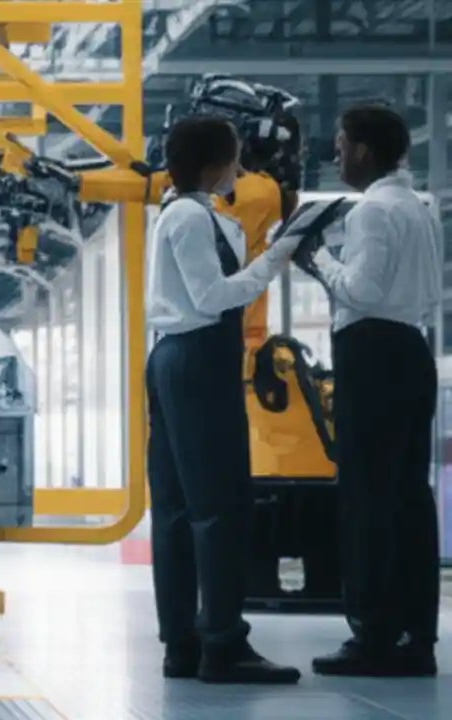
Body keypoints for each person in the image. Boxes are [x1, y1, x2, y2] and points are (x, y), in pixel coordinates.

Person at [145, 116, 303, 684]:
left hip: (173, 357)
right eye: (236, 159)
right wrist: (277, 257)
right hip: (198, 357)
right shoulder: (191, 217)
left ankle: (183, 643)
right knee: (219, 504)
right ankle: (223, 644)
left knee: (177, 508)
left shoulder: (180, 212)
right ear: (217, 165)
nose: (240, 170)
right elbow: (212, 297)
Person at [310, 104, 442, 678]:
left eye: (341, 144)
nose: (337, 154)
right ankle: (416, 637)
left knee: (366, 497)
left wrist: (316, 258)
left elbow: (360, 290)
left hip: (372, 356)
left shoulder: (370, 212)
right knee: (411, 497)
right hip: (413, 352)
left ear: (364, 149)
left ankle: (371, 638)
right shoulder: (419, 207)